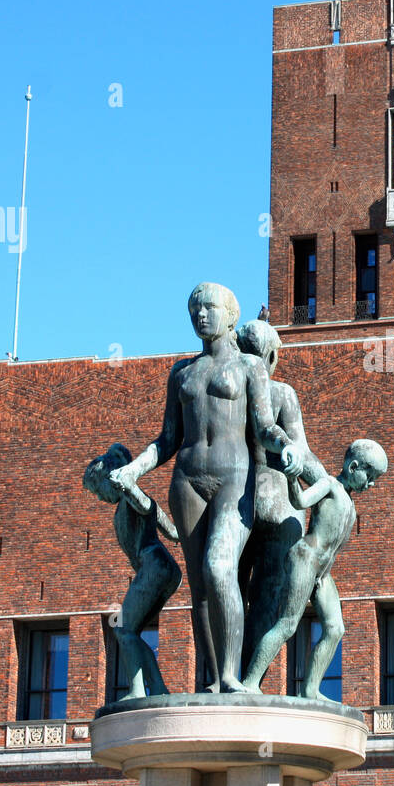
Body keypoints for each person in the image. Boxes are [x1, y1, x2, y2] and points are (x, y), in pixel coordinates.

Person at [107, 283, 305, 693]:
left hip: (235, 478)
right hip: (187, 481)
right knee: (200, 586)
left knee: (220, 569)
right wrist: (136, 469)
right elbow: (166, 439)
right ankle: (213, 679)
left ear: (231, 316)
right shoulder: (182, 372)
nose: (201, 315)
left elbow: (265, 426)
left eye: (209, 307)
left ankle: (233, 674)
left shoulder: (251, 368)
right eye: (194, 308)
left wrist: (286, 447)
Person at [241, 439, 388, 700]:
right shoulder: (329, 485)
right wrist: (292, 477)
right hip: (305, 558)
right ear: (353, 467)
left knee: (335, 629)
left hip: (322, 571)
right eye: (370, 475)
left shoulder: (350, 504)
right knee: (287, 624)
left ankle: (309, 689)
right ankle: (250, 682)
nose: (372, 483)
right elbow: (300, 501)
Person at [233, 320, 328, 684]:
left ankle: (223, 676)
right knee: (268, 601)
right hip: (279, 505)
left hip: (233, 504)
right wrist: (327, 485)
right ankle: (249, 683)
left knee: (229, 591)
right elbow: (300, 451)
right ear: (271, 357)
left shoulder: (224, 395)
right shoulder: (280, 393)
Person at [82, 443, 181, 700]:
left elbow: (144, 505)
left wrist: (127, 484)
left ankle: (137, 691)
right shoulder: (129, 499)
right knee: (131, 631)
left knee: (123, 629)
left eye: (98, 491)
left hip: (154, 566)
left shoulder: (130, 495)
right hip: (163, 569)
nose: (100, 498)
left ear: (108, 479)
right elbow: (172, 532)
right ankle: (156, 687)